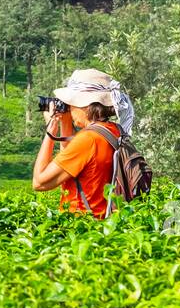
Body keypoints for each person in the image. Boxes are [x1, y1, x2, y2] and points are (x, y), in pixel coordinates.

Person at [31, 68, 135, 219]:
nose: (70, 107)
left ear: (85, 105)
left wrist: (51, 129)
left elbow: (39, 182)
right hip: (107, 222)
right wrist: (65, 123)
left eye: (72, 102)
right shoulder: (112, 131)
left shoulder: (87, 140)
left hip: (83, 225)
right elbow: (71, 165)